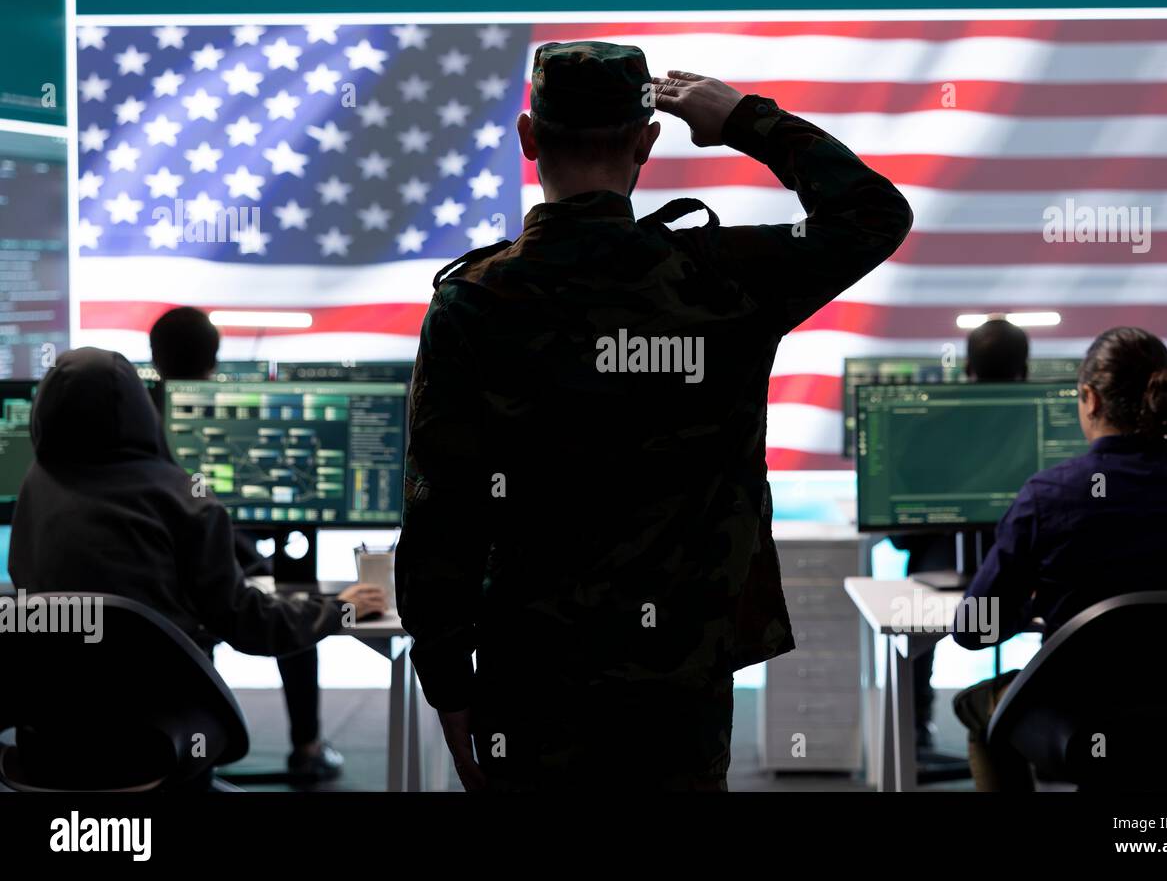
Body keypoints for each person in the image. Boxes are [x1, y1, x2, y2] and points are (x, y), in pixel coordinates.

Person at [397, 42, 913, 791]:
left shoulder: (476, 301)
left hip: (531, 674)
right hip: (681, 677)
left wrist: (447, 678)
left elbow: (441, 508)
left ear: (529, 138)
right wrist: (743, 120)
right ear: (648, 140)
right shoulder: (721, 279)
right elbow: (872, 214)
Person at [10, 347, 388, 779]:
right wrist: (339, 608)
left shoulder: (34, 489)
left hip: (48, 742)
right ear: (141, 409)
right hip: (153, 740)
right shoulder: (185, 499)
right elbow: (248, 625)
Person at [950, 326, 1167, 790]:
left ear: (1090, 398)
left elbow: (972, 630)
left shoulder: (1047, 496)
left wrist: (1033, 604)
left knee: (975, 706)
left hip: (1081, 722)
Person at [147, 306, 352, 781]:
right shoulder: (241, 410)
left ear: (155, 357)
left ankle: (193, 750)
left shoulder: (139, 420)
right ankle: (307, 747)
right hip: (233, 563)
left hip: (172, 585)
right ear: (214, 358)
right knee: (292, 602)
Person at [891, 317, 1030, 753]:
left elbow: (905, 523)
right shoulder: (1044, 422)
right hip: (1029, 569)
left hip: (941, 561)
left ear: (968, 368)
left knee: (912, 623)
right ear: (1024, 370)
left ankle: (913, 734)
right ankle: (1049, 722)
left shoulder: (931, 423)